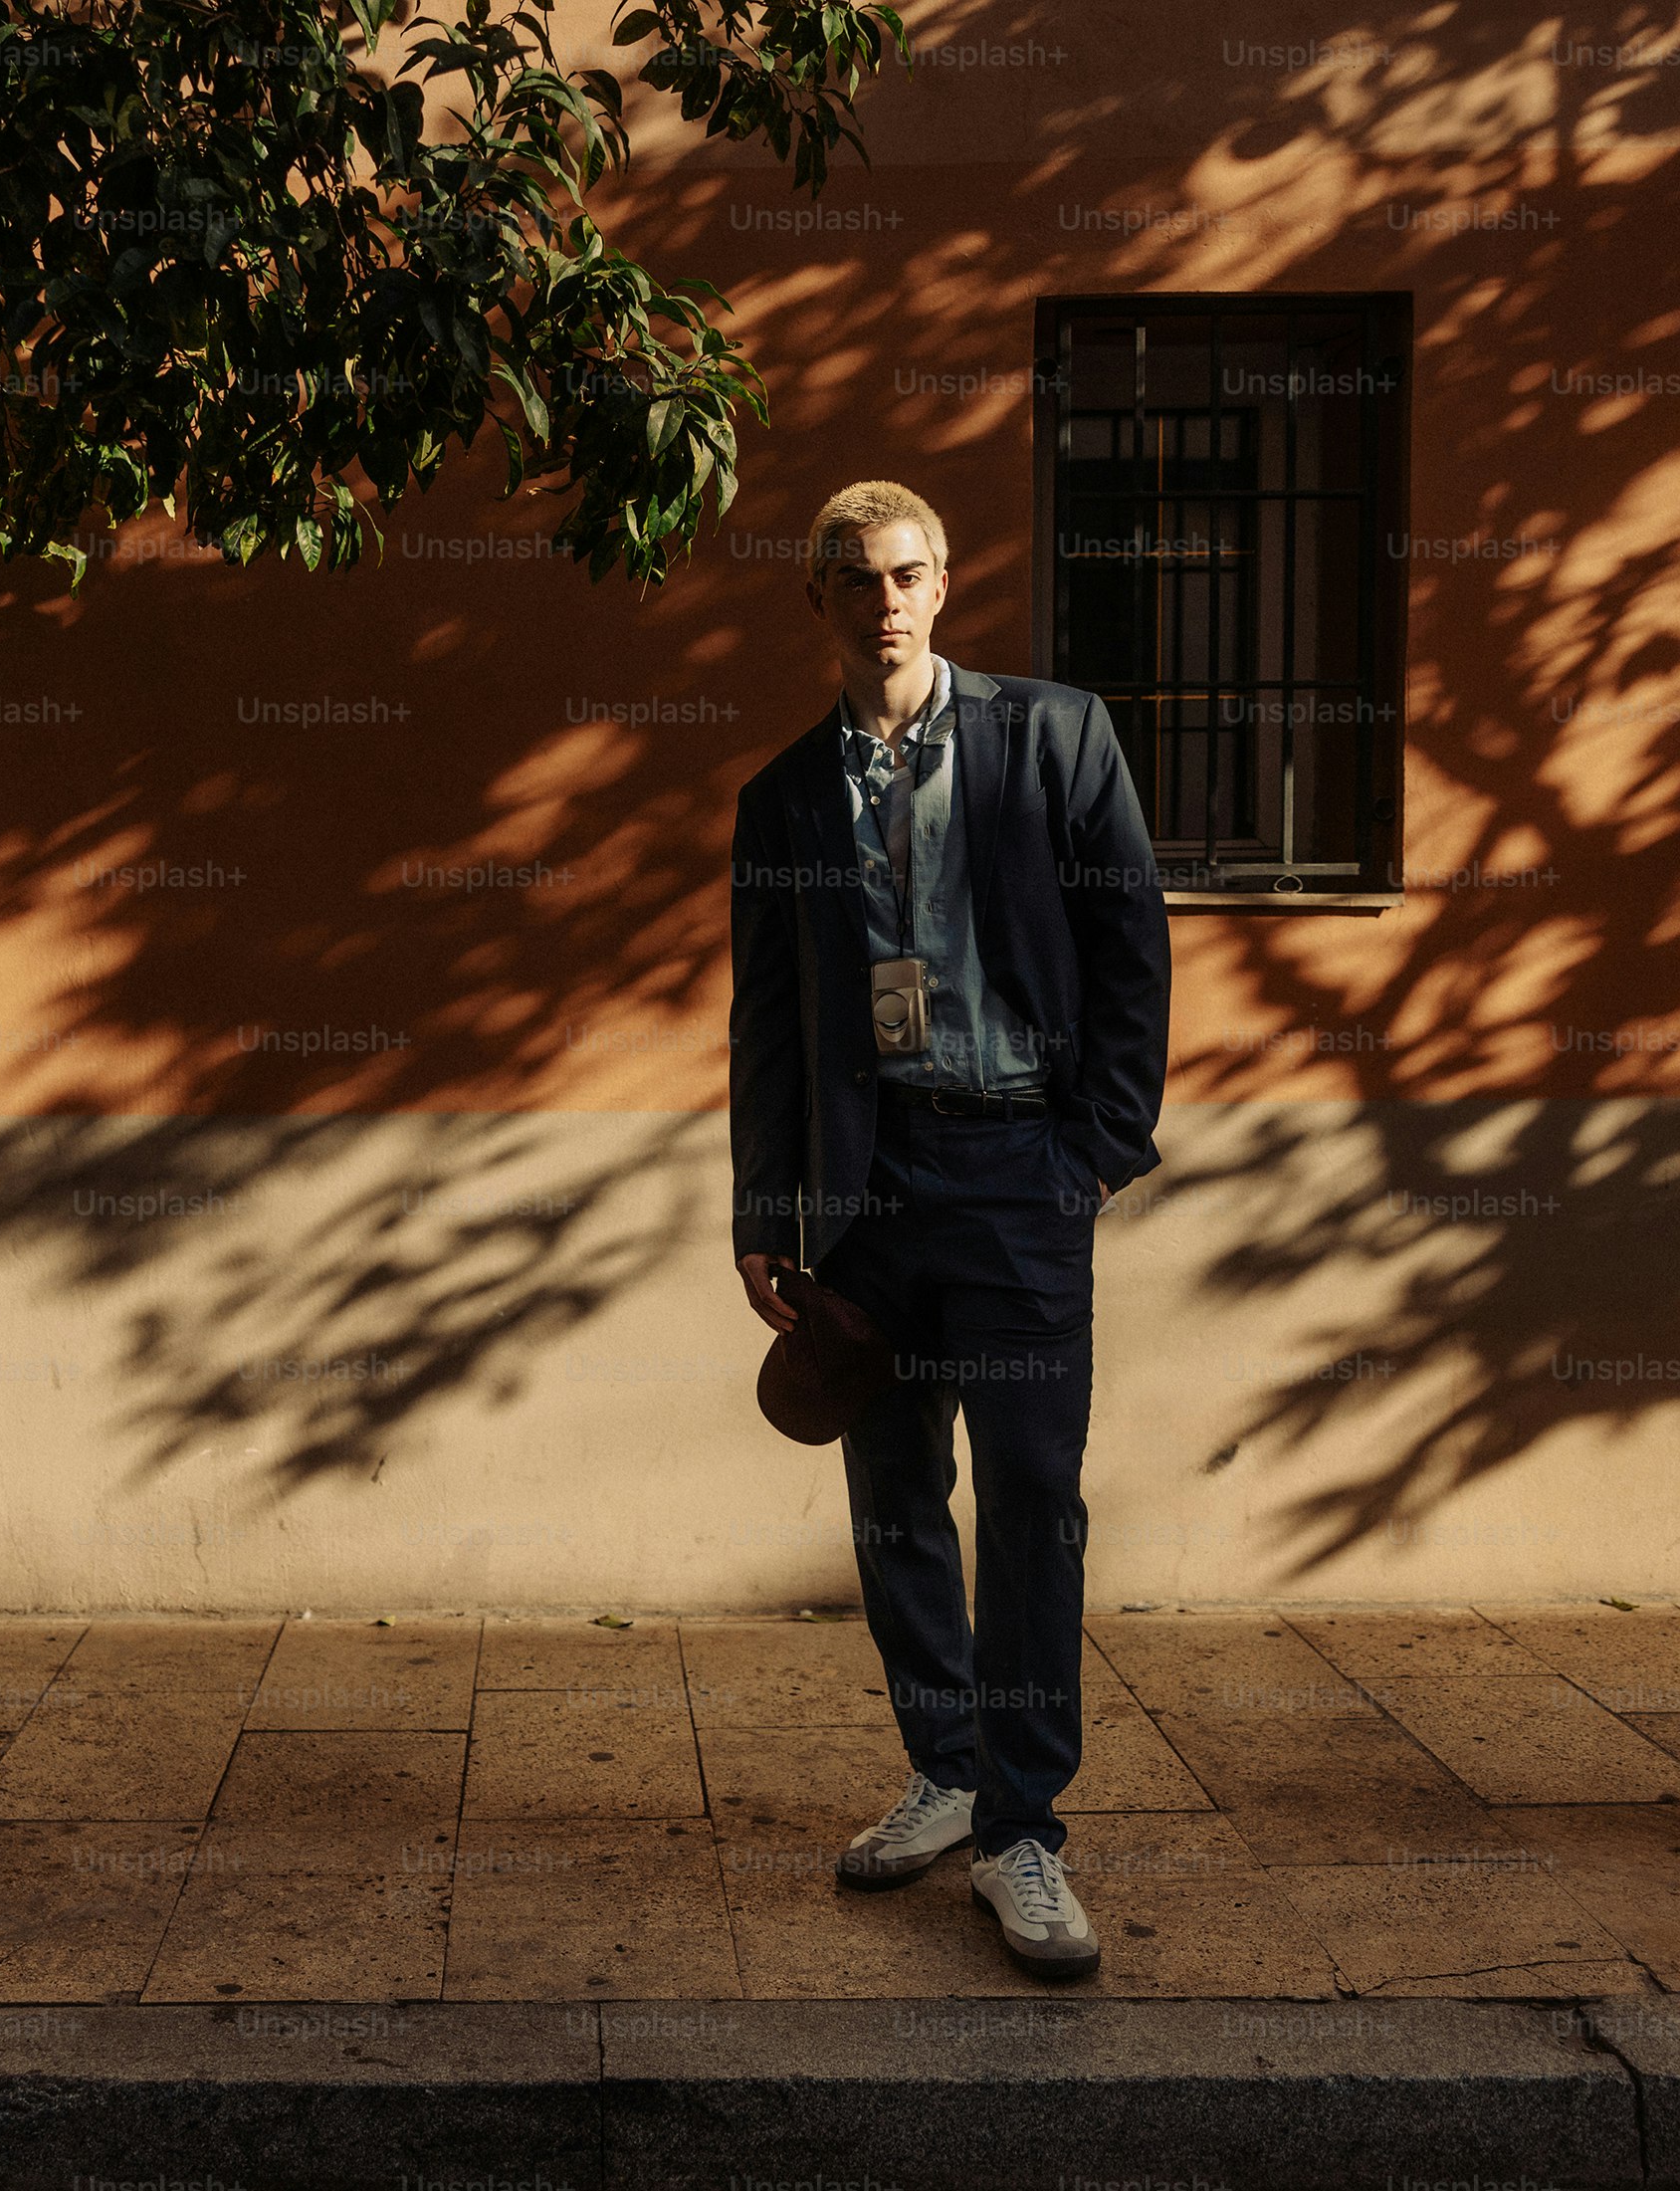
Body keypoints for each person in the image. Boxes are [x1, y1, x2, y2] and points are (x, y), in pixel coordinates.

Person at [727, 479, 1170, 1978]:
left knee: (1035, 1499)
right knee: (895, 1495)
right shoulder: (784, 796)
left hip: (1021, 1174)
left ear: (944, 581)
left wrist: (1091, 1155)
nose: (885, 599)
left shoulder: (1055, 736)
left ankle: (1026, 1831)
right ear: (822, 600)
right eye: (853, 577)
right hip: (870, 1194)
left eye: (907, 572)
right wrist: (764, 1213)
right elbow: (769, 1025)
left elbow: (1132, 947)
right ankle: (948, 1761)